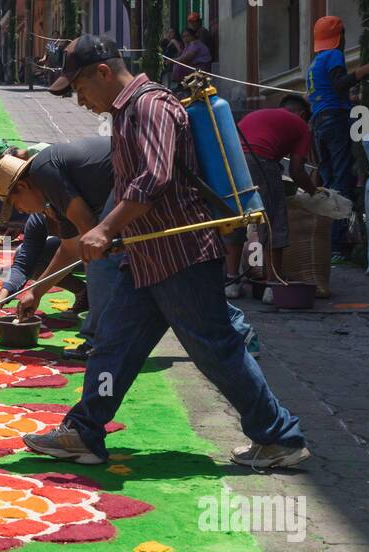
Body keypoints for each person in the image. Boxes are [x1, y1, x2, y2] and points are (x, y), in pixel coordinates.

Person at [22, 35, 308, 469]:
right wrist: (115, 234)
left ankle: (279, 437)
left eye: (80, 88)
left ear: (103, 72)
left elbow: (153, 179)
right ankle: (84, 431)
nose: (80, 101)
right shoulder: (124, 113)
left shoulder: (151, 106)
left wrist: (104, 229)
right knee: (112, 347)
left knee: (216, 348)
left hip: (181, 255)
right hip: (145, 257)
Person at [0, 138, 119, 359]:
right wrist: (35, 292)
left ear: (22, 186)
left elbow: (88, 228)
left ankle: (98, 342)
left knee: (100, 259)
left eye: (16, 204)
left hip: (139, 181)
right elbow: (70, 250)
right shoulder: (52, 201)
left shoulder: (43, 169)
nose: (21, 210)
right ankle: (105, 337)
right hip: (122, 192)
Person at [306, 15, 369, 255]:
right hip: (335, 121)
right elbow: (340, 83)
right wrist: (367, 69)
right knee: (342, 182)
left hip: (319, 123)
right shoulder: (334, 55)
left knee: (330, 183)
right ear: (339, 38)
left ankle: (327, 244)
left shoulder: (315, 63)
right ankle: (337, 246)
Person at [225, 96, 319, 296]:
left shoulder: (260, 114)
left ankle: (231, 281)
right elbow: (296, 171)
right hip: (260, 162)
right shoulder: (303, 127)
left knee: (236, 219)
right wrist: (314, 191)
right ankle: (272, 284)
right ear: (302, 115)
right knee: (272, 220)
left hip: (231, 163)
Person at [0, 213, 88, 317]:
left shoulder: (73, 207)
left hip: (98, 253)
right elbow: (24, 263)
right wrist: (2, 295)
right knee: (24, 254)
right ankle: (84, 292)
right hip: (77, 253)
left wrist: (35, 293)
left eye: (16, 202)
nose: (20, 210)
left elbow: (69, 253)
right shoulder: (38, 216)